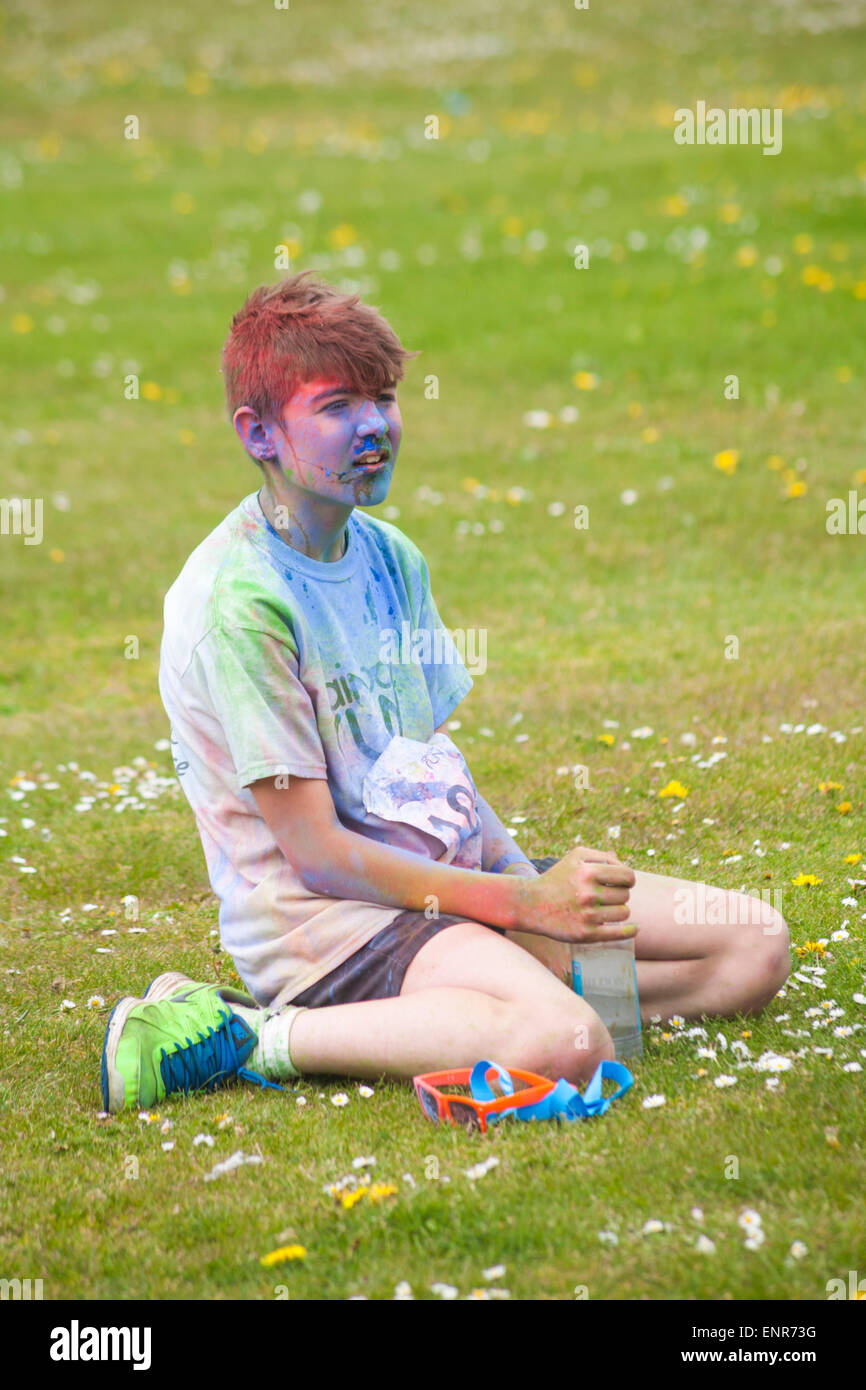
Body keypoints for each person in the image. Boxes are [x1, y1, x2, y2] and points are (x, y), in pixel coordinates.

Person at [101, 272, 790, 1114]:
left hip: (443, 888)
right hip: (329, 927)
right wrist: (519, 903)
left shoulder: (390, 558)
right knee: (570, 1044)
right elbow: (317, 855)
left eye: (384, 399)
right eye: (337, 406)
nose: (373, 428)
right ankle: (248, 1032)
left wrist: (524, 894)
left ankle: (509, 999)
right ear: (259, 434)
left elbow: (427, 767)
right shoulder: (240, 606)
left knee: (754, 949)